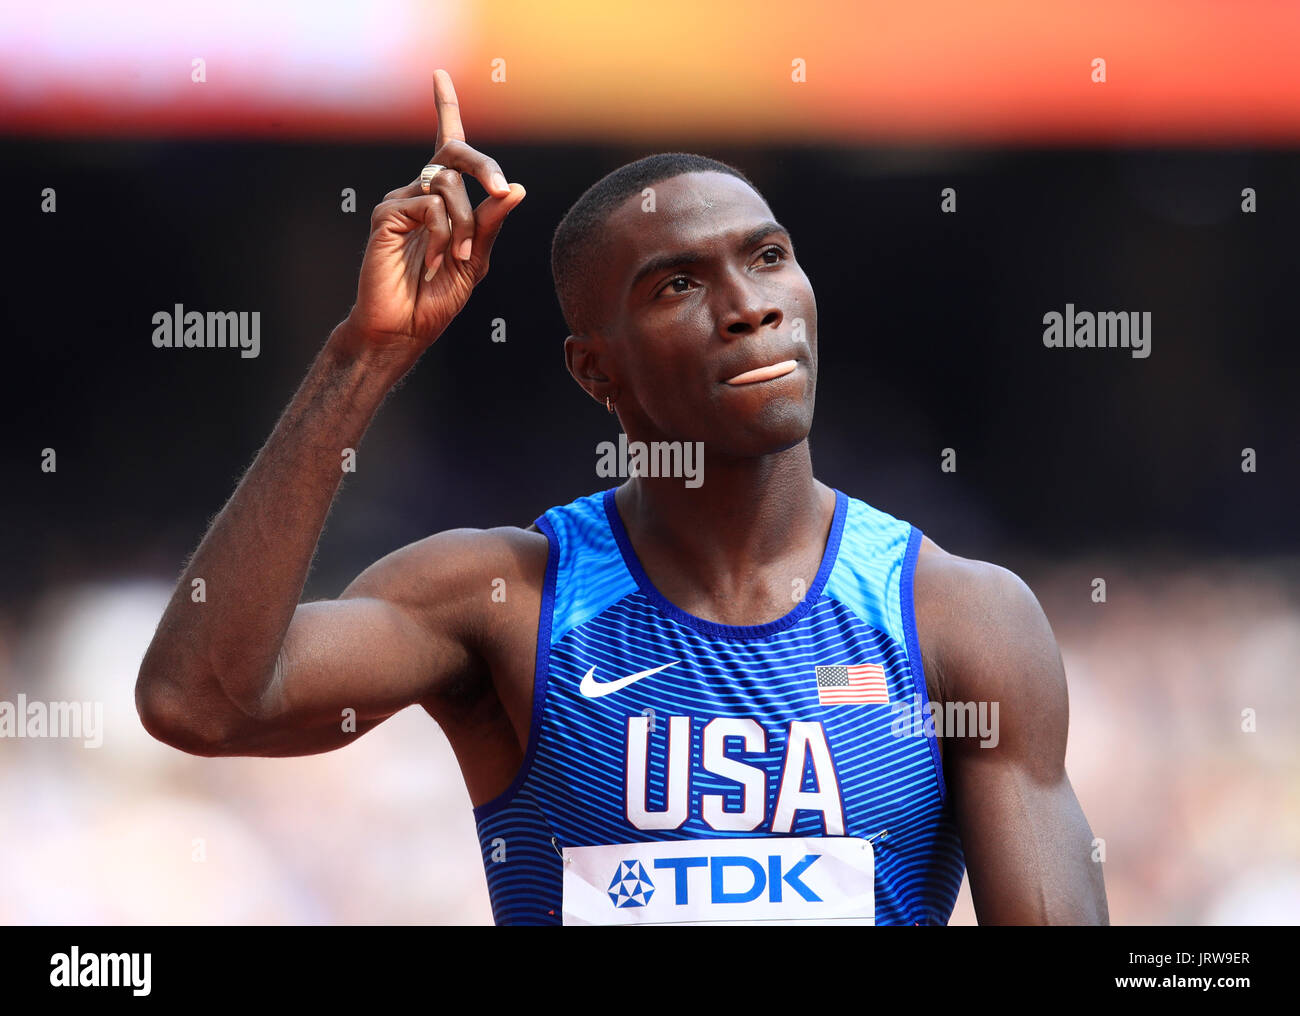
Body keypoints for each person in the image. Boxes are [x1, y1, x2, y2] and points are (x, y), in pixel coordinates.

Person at [136, 69, 1109, 926]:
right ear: (594, 369)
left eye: (767, 256)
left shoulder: (959, 619)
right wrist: (366, 354)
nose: (749, 304)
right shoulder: (502, 602)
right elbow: (201, 702)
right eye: (678, 283)